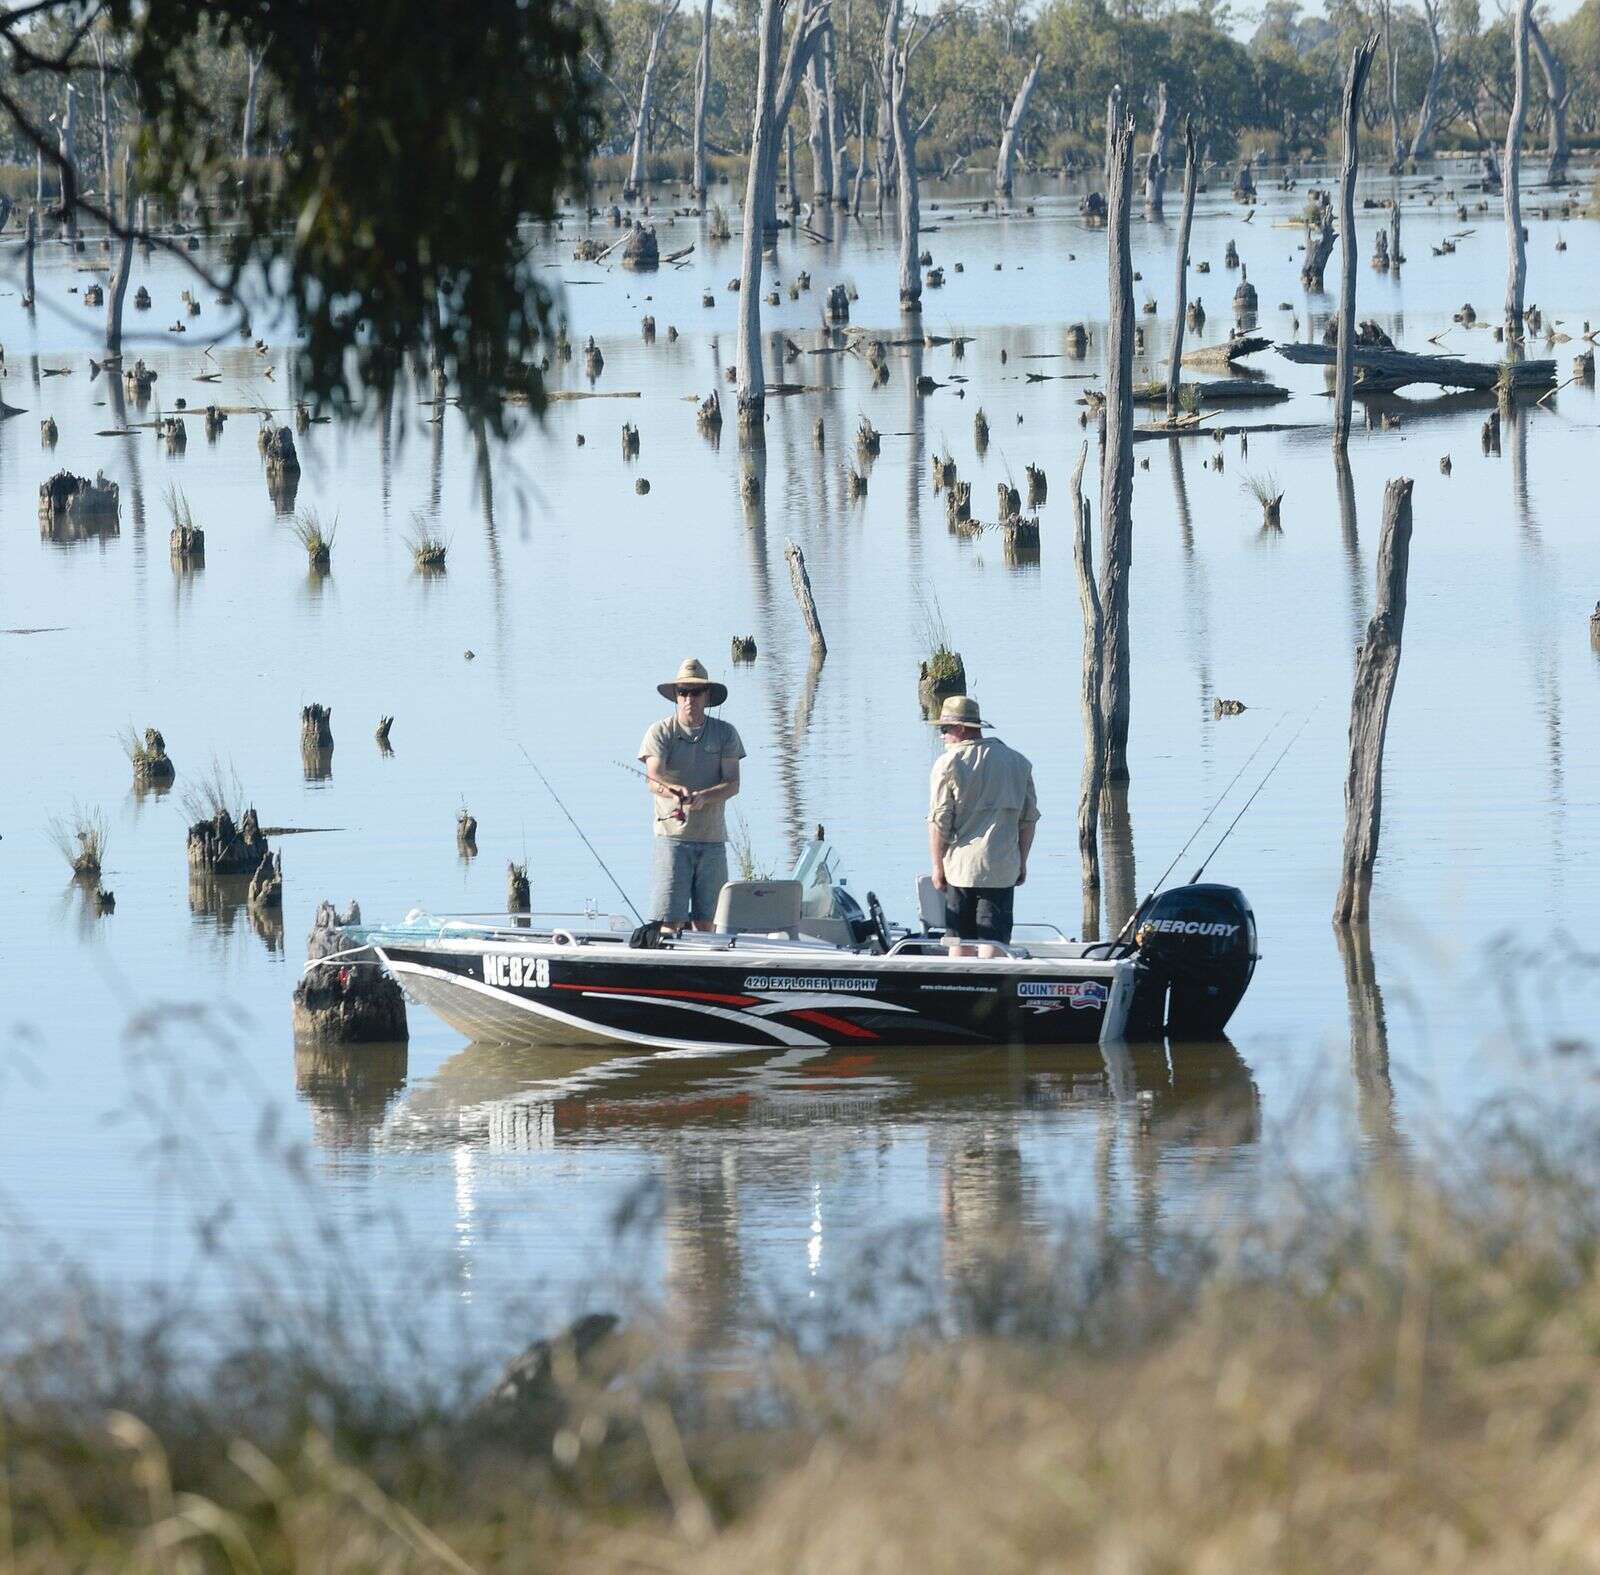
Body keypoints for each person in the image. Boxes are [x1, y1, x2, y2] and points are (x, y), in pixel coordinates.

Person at [926, 694, 1039, 957]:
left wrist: (936, 866)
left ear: (961, 728)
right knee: (995, 941)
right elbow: (1028, 819)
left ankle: (960, 990)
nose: (942, 736)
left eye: (944, 729)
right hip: (1001, 866)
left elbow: (939, 820)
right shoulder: (1018, 762)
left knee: (958, 942)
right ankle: (993, 992)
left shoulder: (948, 763)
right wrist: (1022, 862)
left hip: (960, 868)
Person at [639, 658, 746, 932]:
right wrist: (674, 792)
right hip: (672, 840)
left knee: (707, 921)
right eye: (683, 692)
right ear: (675, 696)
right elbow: (654, 778)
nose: (689, 698)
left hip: (712, 840)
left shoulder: (725, 733)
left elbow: (733, 783)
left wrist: (704, 796)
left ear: (707, 695)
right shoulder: (660, 732)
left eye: (695, 692)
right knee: (669, 920)